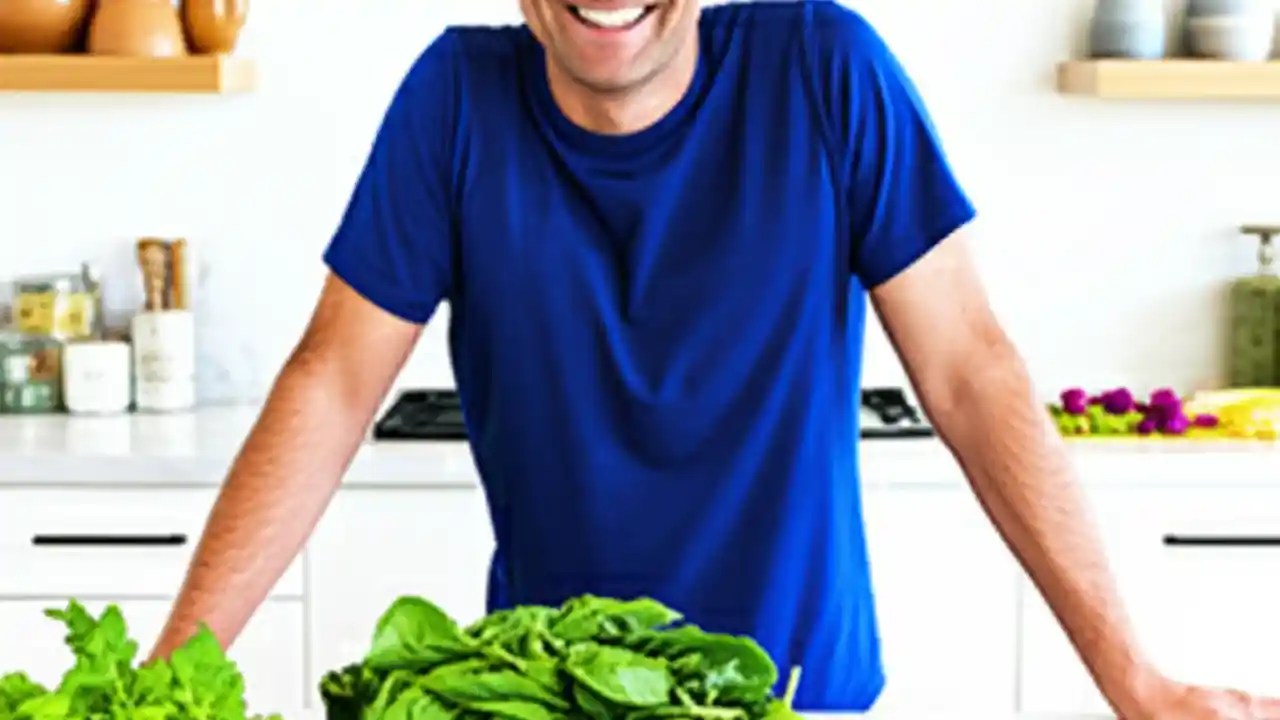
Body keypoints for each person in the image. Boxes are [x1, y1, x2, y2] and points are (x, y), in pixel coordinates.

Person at [149, 0, 1279, 716]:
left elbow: (970, 376)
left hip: (800, 703)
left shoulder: (825, 71)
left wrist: (1133, 680)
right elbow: (333, 381)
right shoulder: (453, 102)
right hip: (557, 699)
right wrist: (160, 686)